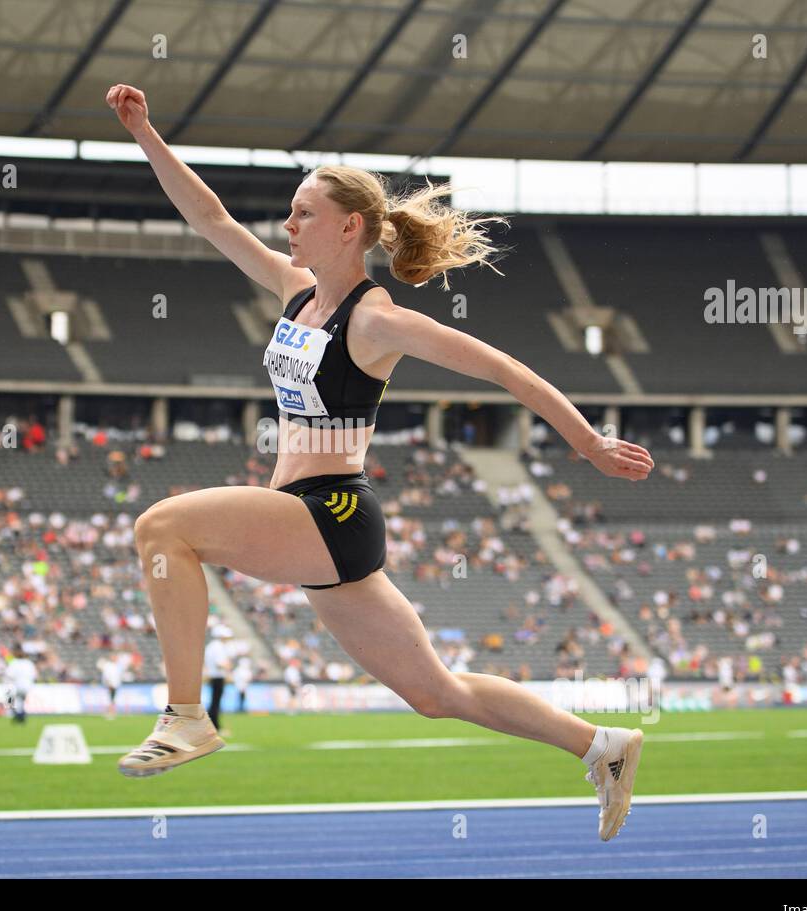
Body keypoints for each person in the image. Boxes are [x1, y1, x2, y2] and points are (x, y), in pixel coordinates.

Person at [105, 83, 656, 842]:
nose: (289, 223)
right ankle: (601, 745)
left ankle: (188, 715)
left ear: (349, 227)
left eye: (304, 212)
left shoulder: (378, 321)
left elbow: (505, 371)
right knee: (437, 693)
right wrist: (145, 134)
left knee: (162, 527)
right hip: (318, 533)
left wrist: (587, 441)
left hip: (330, 513)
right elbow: (211, 219)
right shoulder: (297, 293)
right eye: (292, 211)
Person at [203, 630, 232, 735]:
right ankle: (215, 727)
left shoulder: (211, 646)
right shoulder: (218, 647)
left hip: (213, 676)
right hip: (217, 676)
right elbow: (220, 663)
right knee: (215, 703)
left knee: (214, 703)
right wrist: (229, 669)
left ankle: (211, 726)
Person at [3, 644, 37, 725]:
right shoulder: (29, 663)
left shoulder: (14, 663)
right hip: (27, 686)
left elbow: (9, 675)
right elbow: (34, 675)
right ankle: (21, 714)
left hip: (17, 686)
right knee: (21, 701)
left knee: (9, 696)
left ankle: (15, 714)